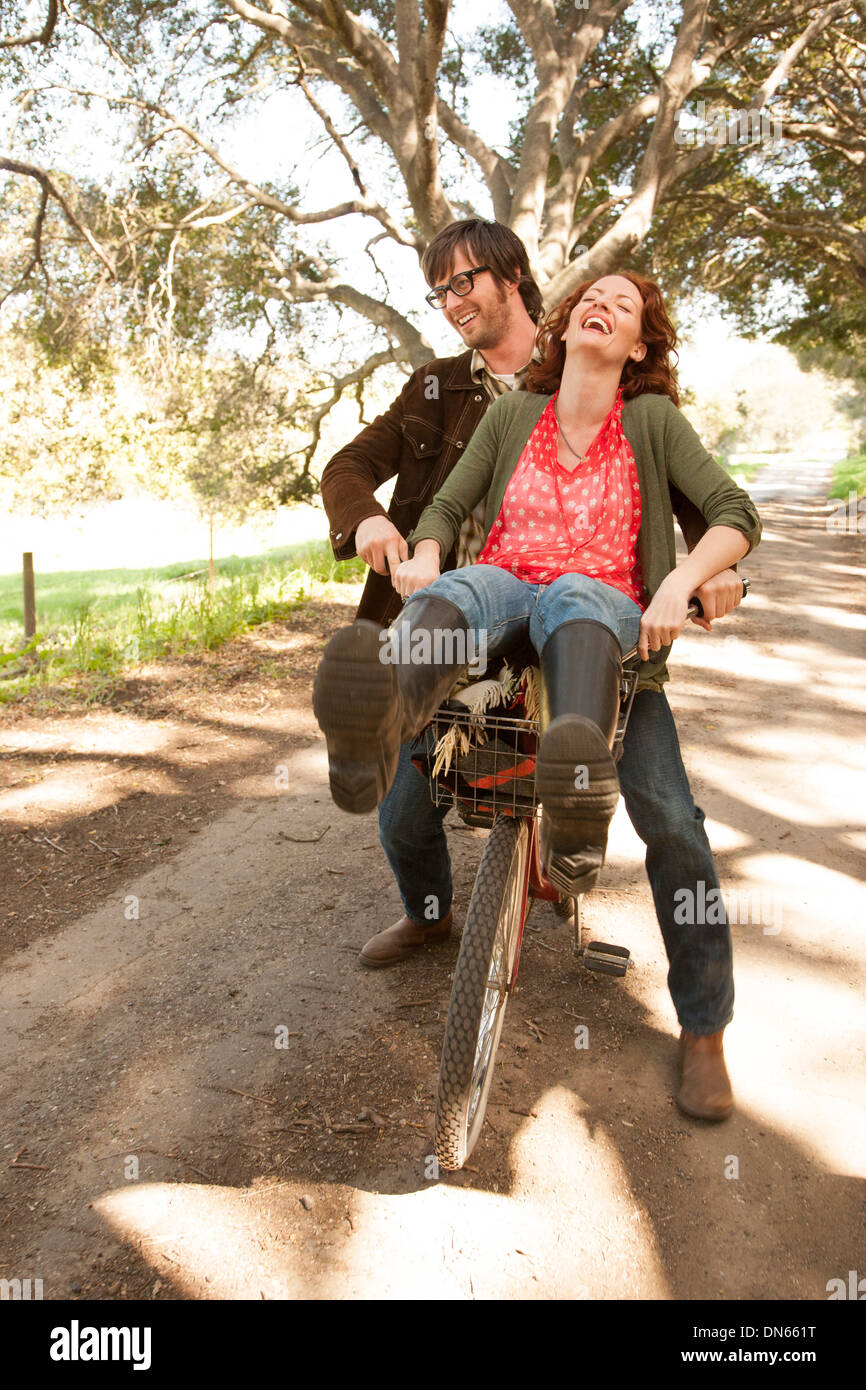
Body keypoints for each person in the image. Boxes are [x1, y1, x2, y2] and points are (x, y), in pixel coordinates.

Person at [319, 221, 753, 1120]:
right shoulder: (503, 409)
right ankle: (376, 727)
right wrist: (425, 551)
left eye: (622, 304)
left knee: (672, 817)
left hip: (604, 639)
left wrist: (691, 579)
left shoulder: (654, 422)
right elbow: (443, 504)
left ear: (641, 345)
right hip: (499, 615)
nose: (601, 303)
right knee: (479, 586)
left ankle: (703, 1025)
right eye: (592, 296)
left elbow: (727, 512)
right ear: (562, 324)